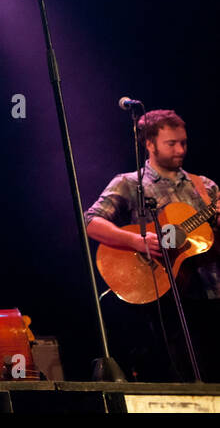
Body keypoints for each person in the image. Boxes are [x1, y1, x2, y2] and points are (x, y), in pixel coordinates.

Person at [85, 109, 220, 380]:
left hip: (213, 292)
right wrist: (137, 240)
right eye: (171, 143)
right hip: (165, 297)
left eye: (183, 142)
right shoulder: (129, 183)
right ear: (149, 144)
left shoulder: (204, 186)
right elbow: (92, 221)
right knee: (181, 378)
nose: (180, 149)